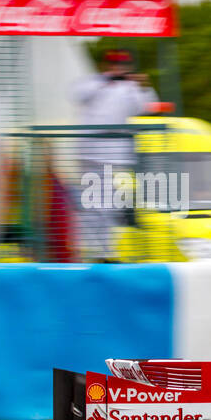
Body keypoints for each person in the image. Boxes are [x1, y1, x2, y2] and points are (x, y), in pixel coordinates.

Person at [70, 49, 158, 261]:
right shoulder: (93, 82)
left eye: (121, 64)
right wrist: (106, 81)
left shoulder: (131, 87)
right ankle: (91, 250)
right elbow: (76, 95)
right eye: (113, 64)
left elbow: (149, 107)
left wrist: (143, 86)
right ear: (105, 65)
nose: (117, 68)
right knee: (91, 203)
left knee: (108, 205)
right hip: (91, 151)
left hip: (115, 154)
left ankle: (104, 251)